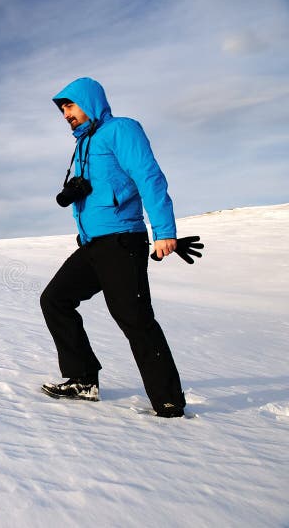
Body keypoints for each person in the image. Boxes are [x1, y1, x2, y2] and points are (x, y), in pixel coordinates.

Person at [39, 77, 186, 418]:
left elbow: (149, 176)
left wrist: (164, 230)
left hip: (123, 240)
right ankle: (82, 380)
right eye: (62, 109)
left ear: (89, 102)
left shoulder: (121, 130)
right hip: (94, 245)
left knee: (134, 319)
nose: (65, 114)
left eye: (70, 105)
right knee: (55, 299)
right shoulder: (82, 146)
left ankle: (169, 401)